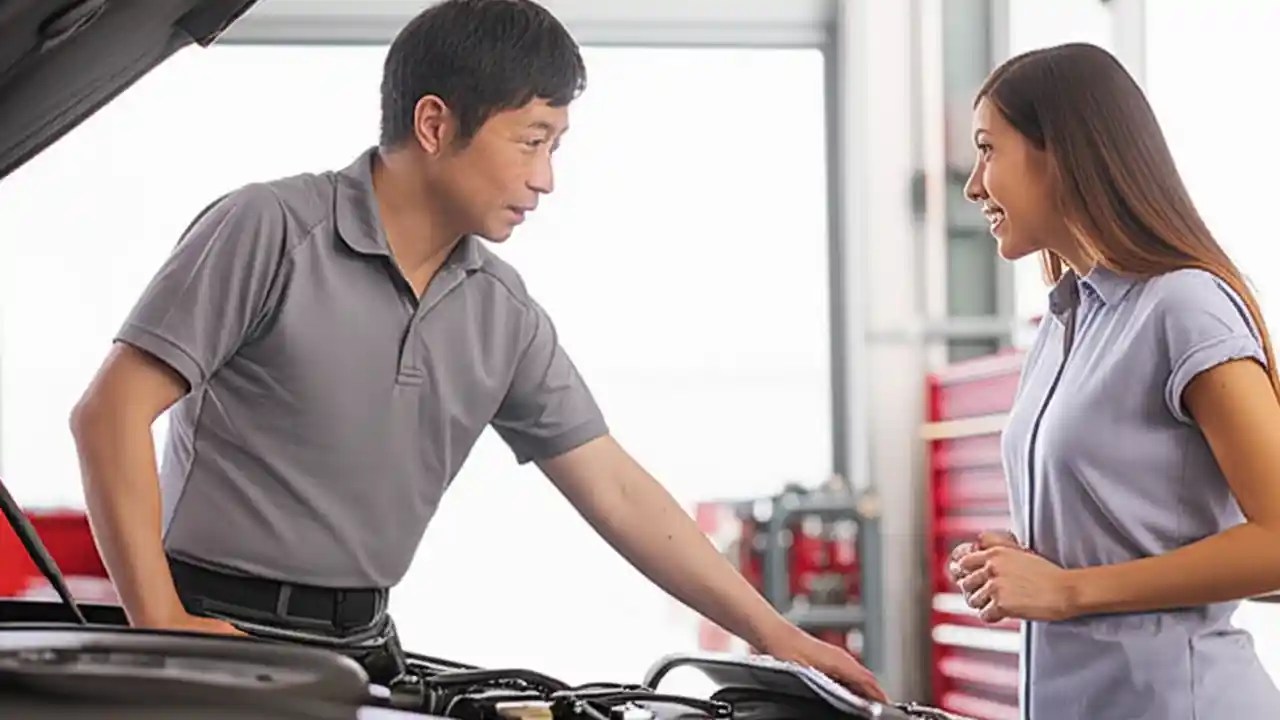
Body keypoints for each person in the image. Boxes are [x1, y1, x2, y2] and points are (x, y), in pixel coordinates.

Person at [68, 0, 886, 703]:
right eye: (531, 141)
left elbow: (618, 491)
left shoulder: (503, 312)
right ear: (434, 124)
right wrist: (162, 624)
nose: (547, 178)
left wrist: (776, 636)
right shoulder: (271, 230)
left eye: (556, 146)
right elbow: (108, 416)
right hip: (216, 634)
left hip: (361, 651)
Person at [950, 41, 1280, 719]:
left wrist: (1066, 588)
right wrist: (1032, 560)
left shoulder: (1183, 306)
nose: (973, 185)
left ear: (1061, 154)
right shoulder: (1064, 323)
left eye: (989, 149)